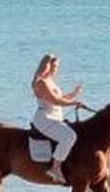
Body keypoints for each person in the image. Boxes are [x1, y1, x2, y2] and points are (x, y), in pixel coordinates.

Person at [31, 53, 84, 184]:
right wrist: (74, 103)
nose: (56, 69)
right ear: (48, 66)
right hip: (45, 118)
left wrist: (74, 94)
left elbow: (60, 99)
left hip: (55, 117)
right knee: (69, 136)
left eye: (57, 67)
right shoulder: (41, 83)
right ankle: (55, 168)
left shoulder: (50, 82)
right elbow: (56, 101)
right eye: (55, 66)